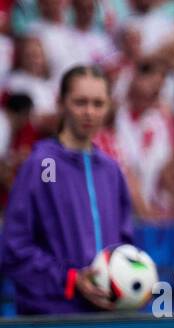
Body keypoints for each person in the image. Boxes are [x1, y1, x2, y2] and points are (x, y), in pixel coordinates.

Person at [0, 64, 133, 315]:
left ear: (108, 106)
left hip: (105, 316)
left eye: (98, 104)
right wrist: (70, 280)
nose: (89, 113)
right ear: (61, 103)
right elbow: (15, 247)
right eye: (80, 102)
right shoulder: (44, 163)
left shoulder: (110, 170)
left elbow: (124, 243)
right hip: (52, 318)